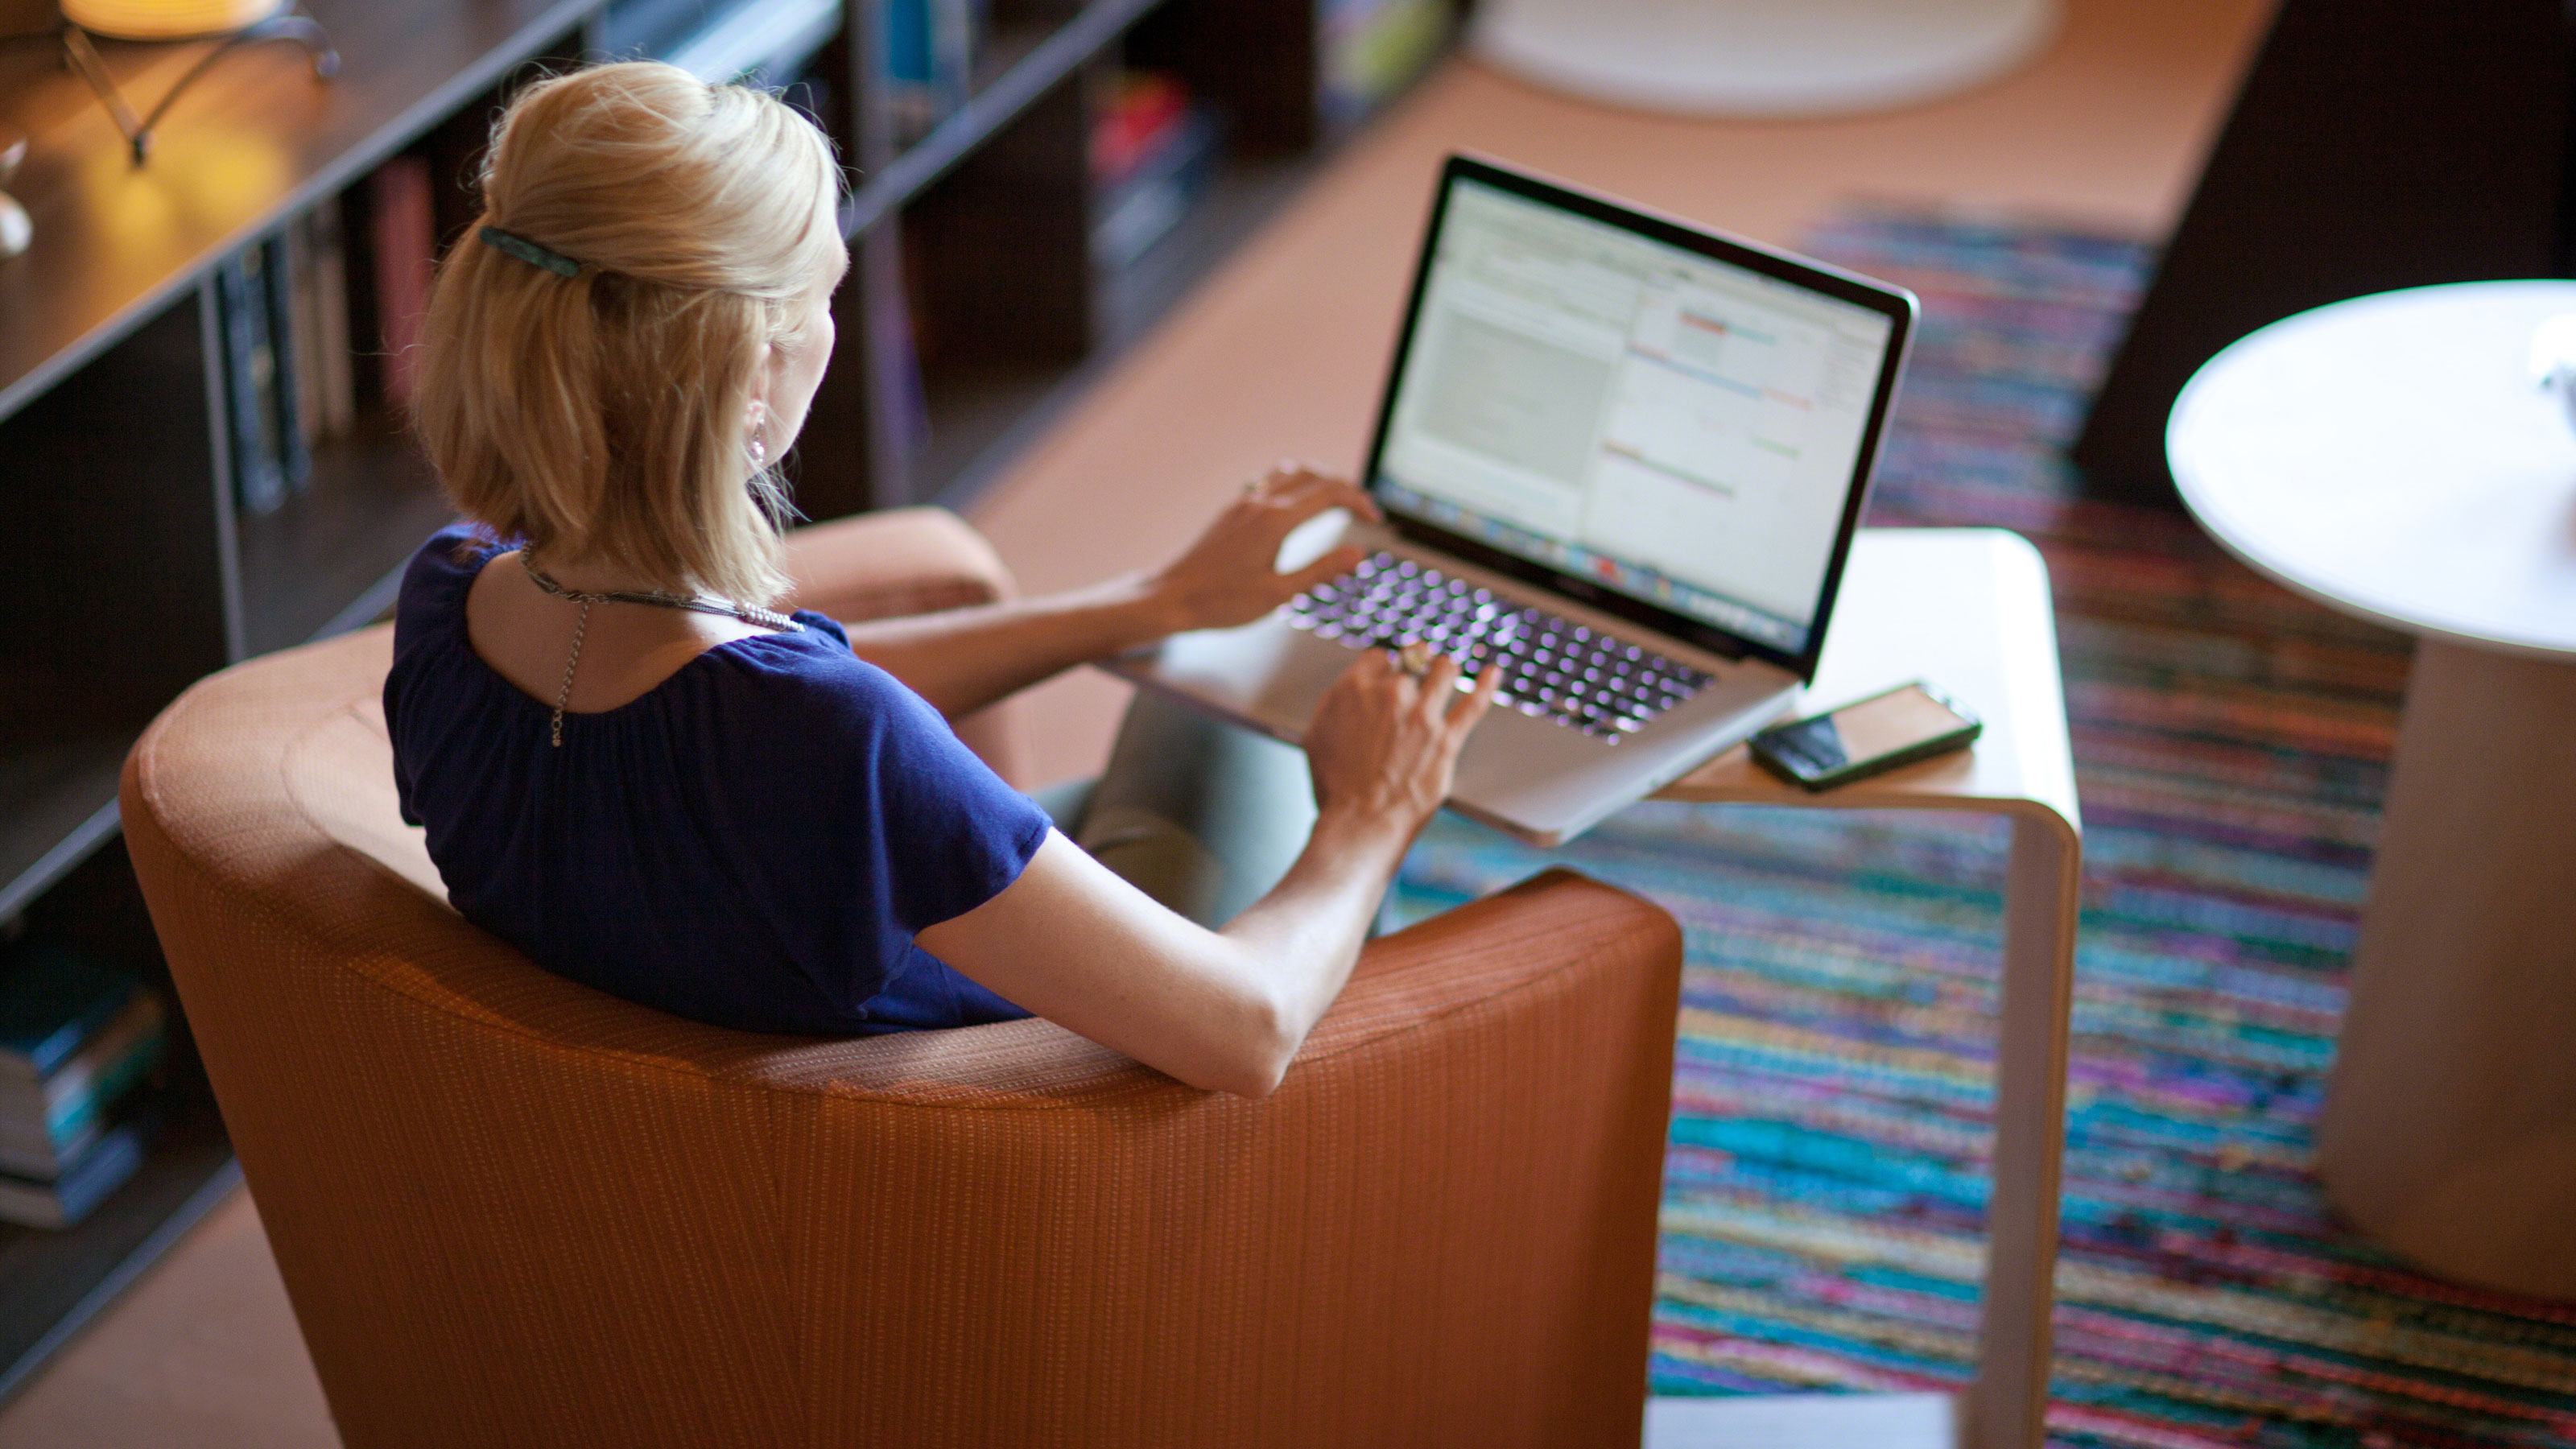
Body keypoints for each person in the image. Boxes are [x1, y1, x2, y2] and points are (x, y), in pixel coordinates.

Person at [385, 61, 1501, 1100]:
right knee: (1243, 719)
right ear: (750, 372)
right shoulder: (827, 741)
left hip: (762, 1035)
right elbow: (1246, 1026)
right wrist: (1371, 812)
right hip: (1071, 1092)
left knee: (1189, 683)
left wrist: (1154, 604)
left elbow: (753, 701)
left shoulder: (453, 606)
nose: (837, 323)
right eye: (824, 295)